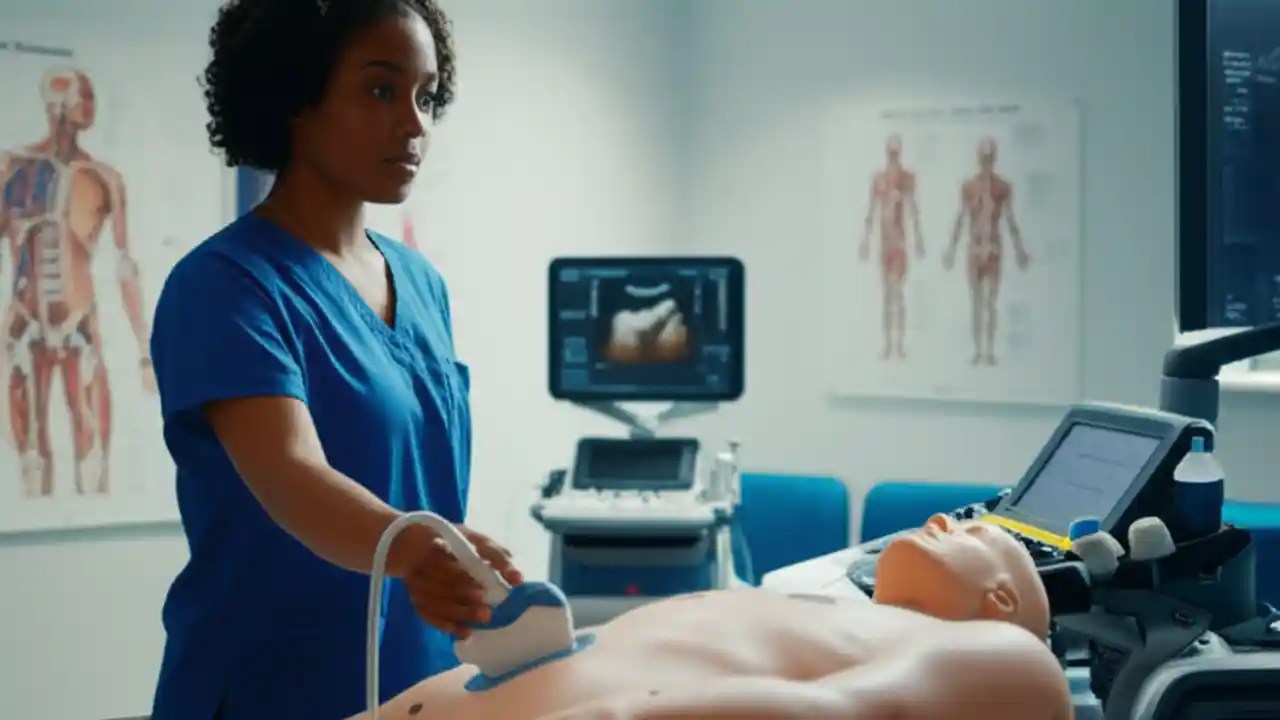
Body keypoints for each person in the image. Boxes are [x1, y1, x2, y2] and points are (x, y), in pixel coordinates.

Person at [146, 1, 524, 718]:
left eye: (426, 96)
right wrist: (419, 548)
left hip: (420, 683)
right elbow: (292, 471)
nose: (414, 124)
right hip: (268, 689)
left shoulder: (422, 285)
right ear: (294, 95)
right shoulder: (226, 285)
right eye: (381, 90)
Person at [350, 516, 1073, 720]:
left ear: (1002, 602)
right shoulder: (821, 614)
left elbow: (833, 712)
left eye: (979, 536)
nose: (948, 517)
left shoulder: (1013, 659)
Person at [0, 66, 153, 498]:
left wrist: (144, 352)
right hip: (23, 322)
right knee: (32, 452)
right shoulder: (13, 169)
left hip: (80, 322)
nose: (92, 104)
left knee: (90, 449)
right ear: (59, 104)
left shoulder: (105, 179)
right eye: (83, 96)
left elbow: (126, 265)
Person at [942, 136, 1030, 367]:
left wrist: (1020, 249)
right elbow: (961, 218)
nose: (986, 162)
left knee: (990, 303)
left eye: (989, 158)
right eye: (983, 158)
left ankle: (988, 351)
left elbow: (1010, 218)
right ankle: (977, 351)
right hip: (974, 249)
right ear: (978, 158)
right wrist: (951, 249)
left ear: (994, 158)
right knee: (977, 303)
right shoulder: (969, 187)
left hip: (993, 249)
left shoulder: (1003, 187)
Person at [859, 133, 924, 361]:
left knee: (897, 292)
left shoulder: (907, 178)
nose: (894, 156)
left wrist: (918, 240)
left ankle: (899, 344)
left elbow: (913, 209)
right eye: (891, 152)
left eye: (896, 152)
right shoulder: (879, 179)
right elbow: (871, 210)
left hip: (898, 243)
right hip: (885, 245)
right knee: (888, 295)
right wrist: (865, 242)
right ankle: (889, 345)